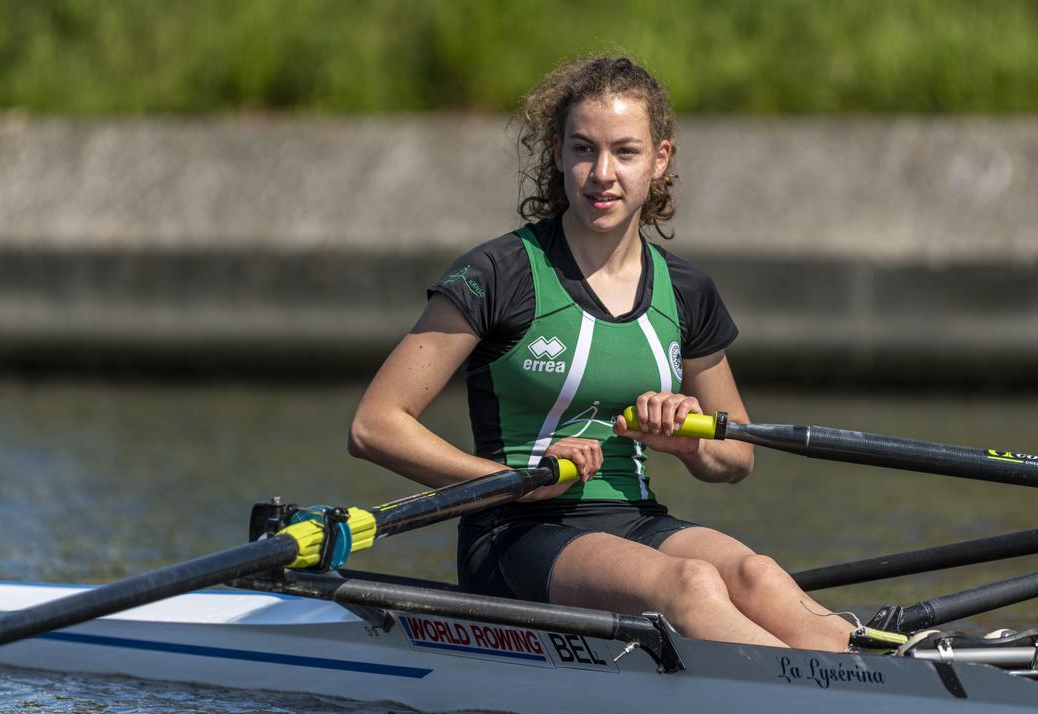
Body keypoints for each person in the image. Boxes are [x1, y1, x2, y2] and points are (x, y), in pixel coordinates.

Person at [348, 55, 852, 652]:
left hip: (637, 519)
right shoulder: (500, 274)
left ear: (660, 159)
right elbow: (375, 426)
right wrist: (511, 481)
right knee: (692, 584)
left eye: (625, 152)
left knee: (756, 574)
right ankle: (813, 704)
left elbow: (736, 455)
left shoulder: (687, 291)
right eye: (583, 149)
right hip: (515, 533)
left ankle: (894, 678)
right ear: (557, 155)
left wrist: (690, 443)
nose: (601, 173)